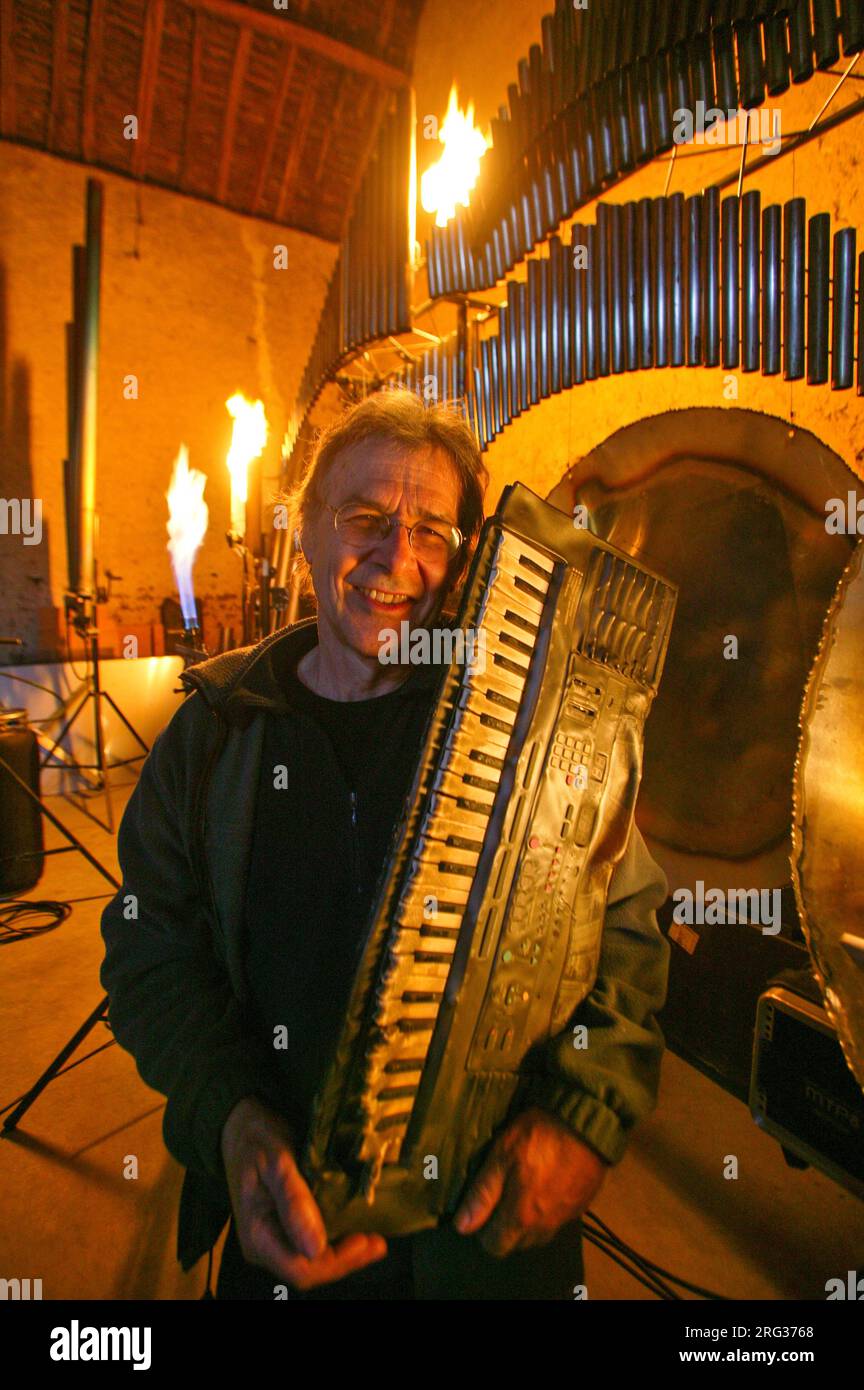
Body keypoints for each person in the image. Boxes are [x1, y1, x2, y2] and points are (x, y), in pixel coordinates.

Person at [100, 388, 671, 1300]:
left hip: (487, 1246)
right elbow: (148, 957)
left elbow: (633, 929)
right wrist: (231, 1119)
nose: (395, 559)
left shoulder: (539, 730)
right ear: (308, 534)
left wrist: (583, 1117)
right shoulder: (211, 740)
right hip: (287, 1238)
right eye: (365, 518)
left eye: (432, 532)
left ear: (465, 556)